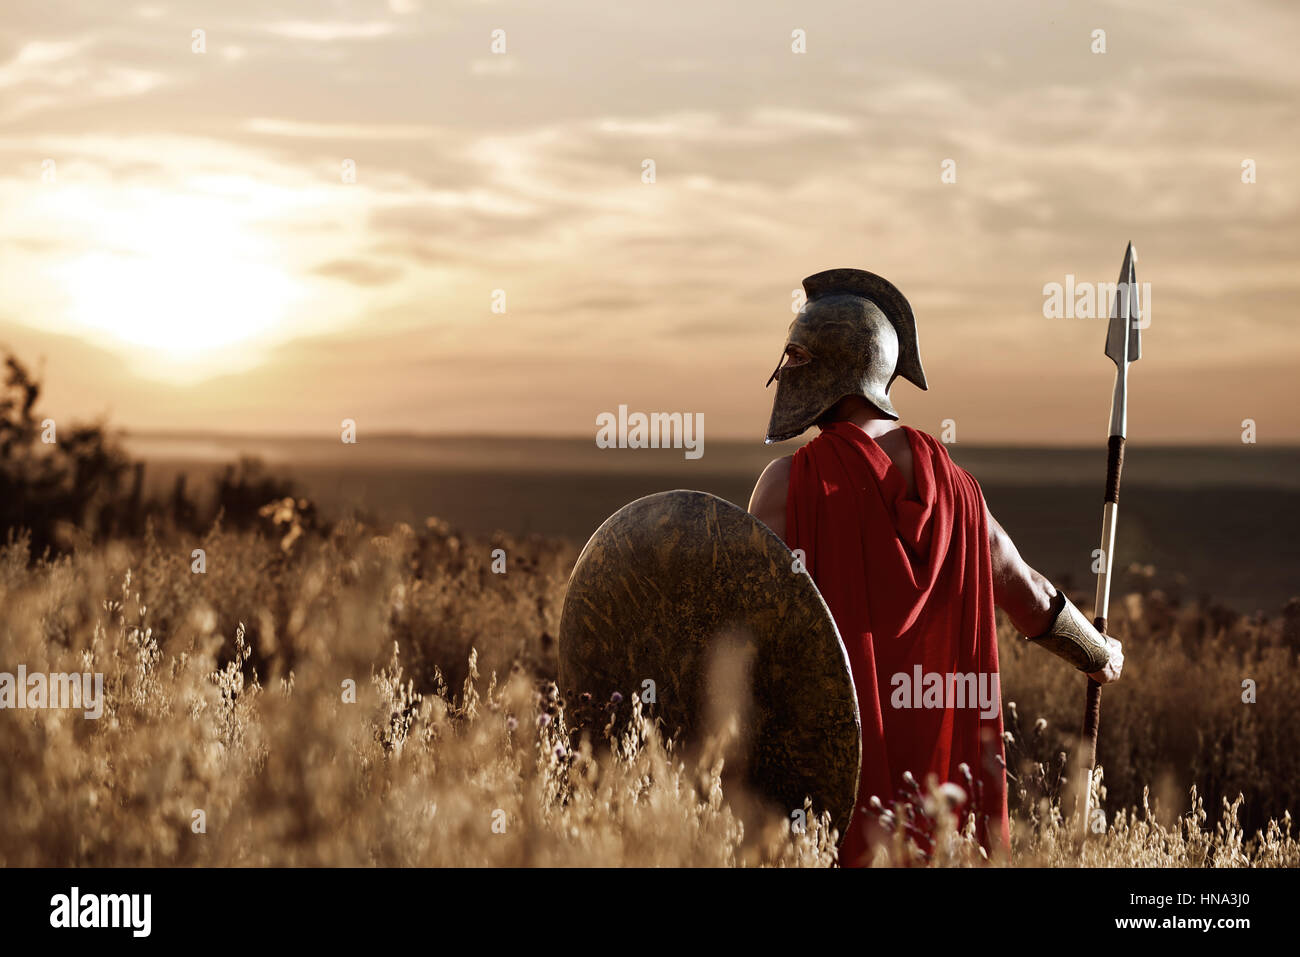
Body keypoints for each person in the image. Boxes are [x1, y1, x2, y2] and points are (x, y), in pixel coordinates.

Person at [747, 268, 1123, 865]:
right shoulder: (960, 493)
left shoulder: (791, 487)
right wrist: (1098, 653)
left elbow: (744, 630)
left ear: (830, 370)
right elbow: (1028, 592)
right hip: (944, 788)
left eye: (797, 358)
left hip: (836, 795)